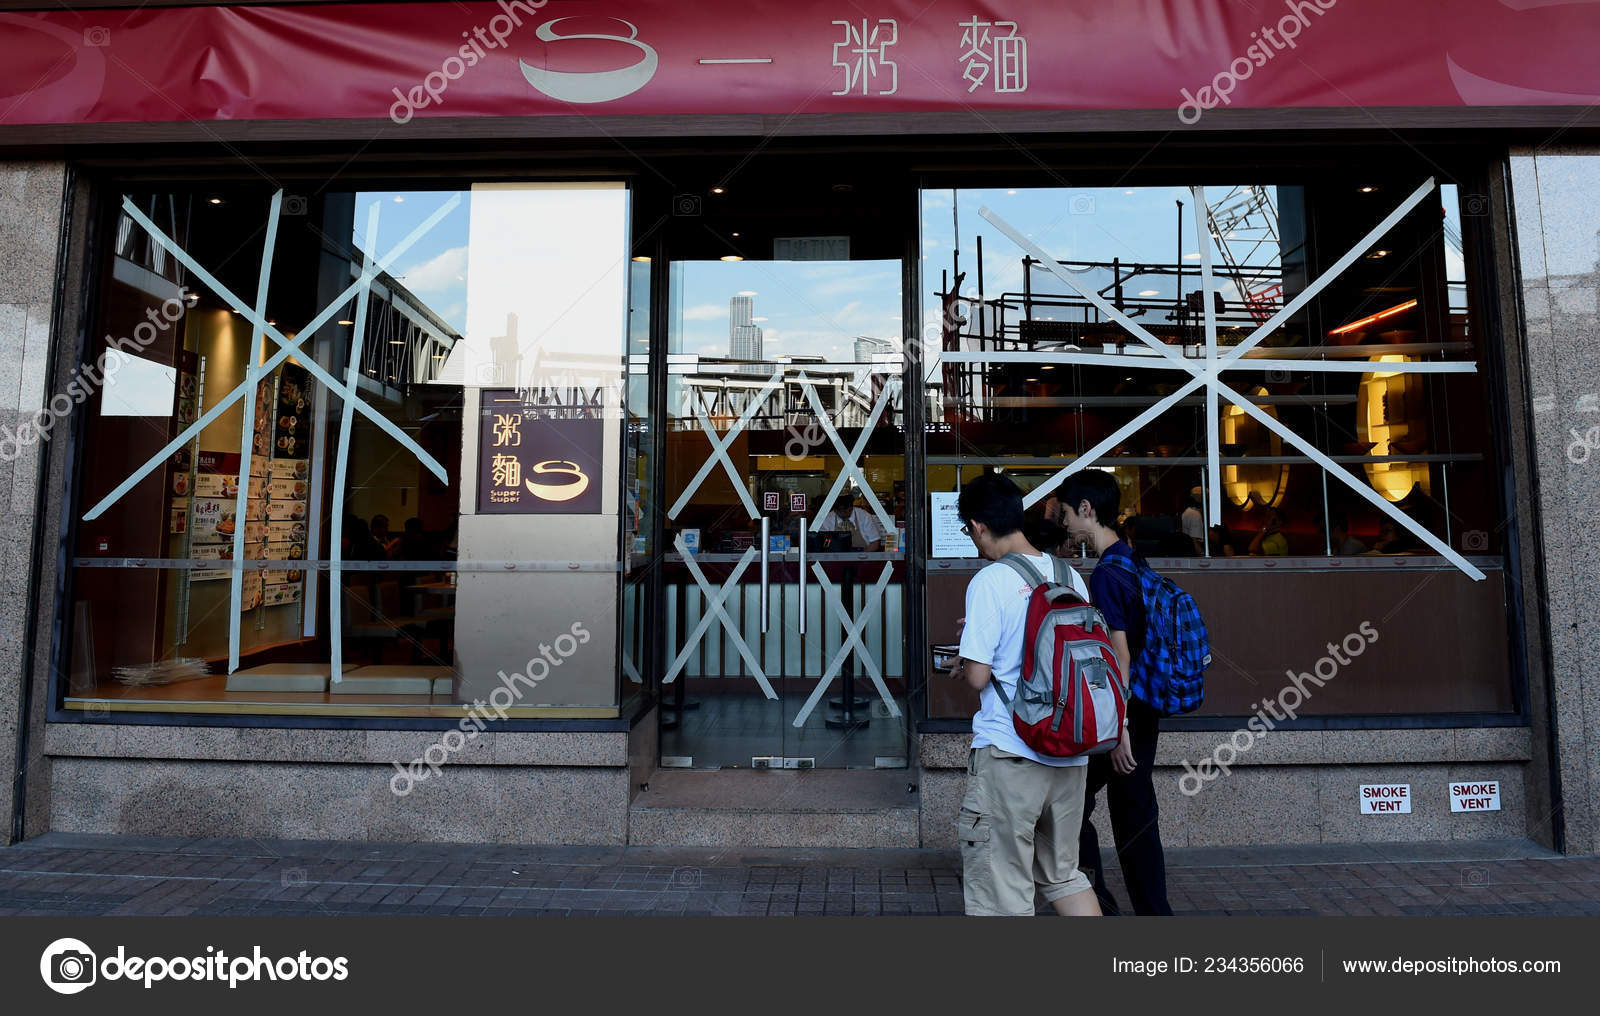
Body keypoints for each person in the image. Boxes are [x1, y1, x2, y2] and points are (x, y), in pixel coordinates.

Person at [950, 472, 1101, 917]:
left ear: (977, 526)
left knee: (1002, 890)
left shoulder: (990, 581)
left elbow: (977, 678)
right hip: (1069, 751)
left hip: (1012, 751)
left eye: (969, 531)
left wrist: (966, 656)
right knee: (1064, 875)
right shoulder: (1068, 573)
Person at [1058, 468, 1174, 917]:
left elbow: (1117, 656)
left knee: (1072, 808)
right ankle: (1151, 911)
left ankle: (1101, 907)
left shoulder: (1106, 574)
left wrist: (1118, 726)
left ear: (1087, 510)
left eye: (1067, 513)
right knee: (1134, 814)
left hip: (1123, 711)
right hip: (1145, 702)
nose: (1065, 523)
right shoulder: (1132, 559)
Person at [817, 492, 885, 551]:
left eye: (848, 511)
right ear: (835, 510)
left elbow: (875, 542)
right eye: (841, 511)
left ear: (851, 507)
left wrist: (862, 556)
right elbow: (822, 544)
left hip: (862, 559)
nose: (844, 514)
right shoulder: (827, 519)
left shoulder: (864, 516)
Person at [1180, 486, 1205, 555]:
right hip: (1191, 554)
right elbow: (1194, 542)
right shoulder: (1195, 514)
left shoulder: (1188, 511)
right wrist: (1203, 555)